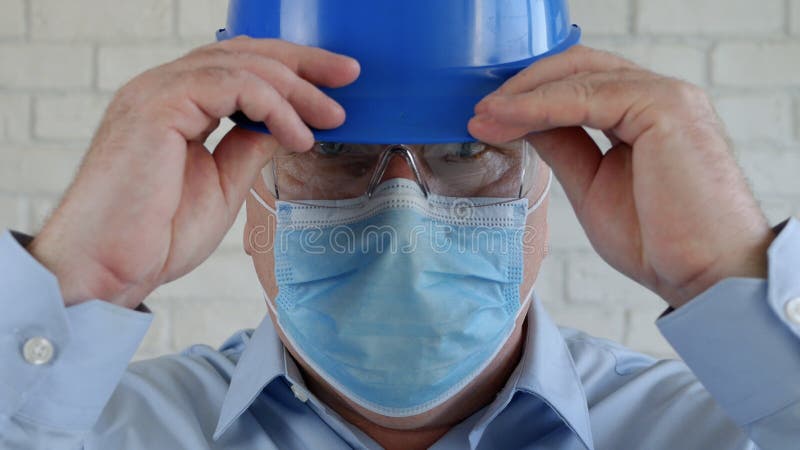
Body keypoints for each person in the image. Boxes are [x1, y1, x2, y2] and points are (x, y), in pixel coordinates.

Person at [1, 1, 798, 449]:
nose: (404, 213)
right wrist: (85, 280)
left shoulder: (716, 430)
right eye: (338, 152)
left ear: (546, 178)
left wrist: (726, 274)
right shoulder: (93, 429)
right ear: (250, 190)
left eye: (463, 149)